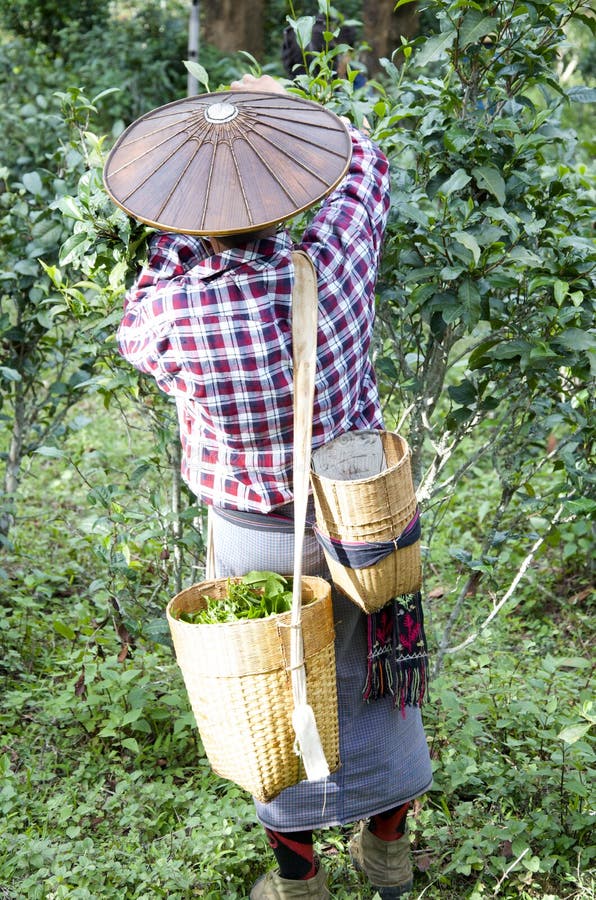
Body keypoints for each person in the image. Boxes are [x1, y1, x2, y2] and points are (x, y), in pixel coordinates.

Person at [115, 73, 432, 899]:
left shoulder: (173, 318)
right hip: (360, 513)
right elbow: (364, 164)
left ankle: (297, 883)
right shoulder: (334, 256)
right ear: (287, 193)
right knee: (378, 686)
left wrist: (187, 217)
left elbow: (144, 296)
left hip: (254, 528)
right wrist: (280, 103)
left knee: (269, 691)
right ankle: (389, 854)